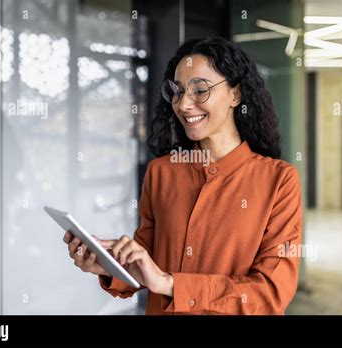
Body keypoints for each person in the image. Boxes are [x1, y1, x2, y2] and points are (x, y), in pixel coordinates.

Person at [63, 37, 303, 315]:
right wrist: (110, 265)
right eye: (177, 92)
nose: (184, 104)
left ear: (235, 95)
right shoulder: (161, 172)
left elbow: (270, 292)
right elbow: (148, 261)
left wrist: (170, 284)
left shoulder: (279, 181)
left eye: (200, 90)